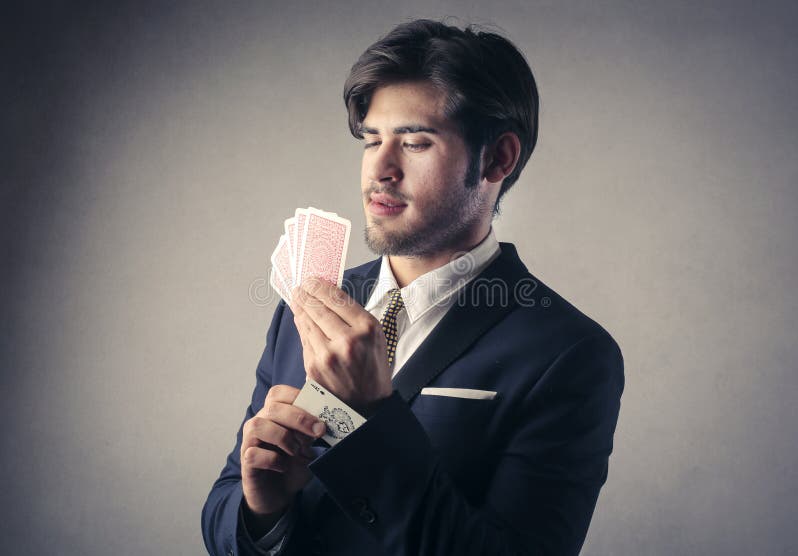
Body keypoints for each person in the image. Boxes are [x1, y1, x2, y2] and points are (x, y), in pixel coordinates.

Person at [202, 19, 624, 556]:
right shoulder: (304, 305)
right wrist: (264, 512)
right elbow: (224, 506)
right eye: (371, 140)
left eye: (416, 142)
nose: (380, 169)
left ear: (498, 158)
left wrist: (369, 417)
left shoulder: (570, 355)